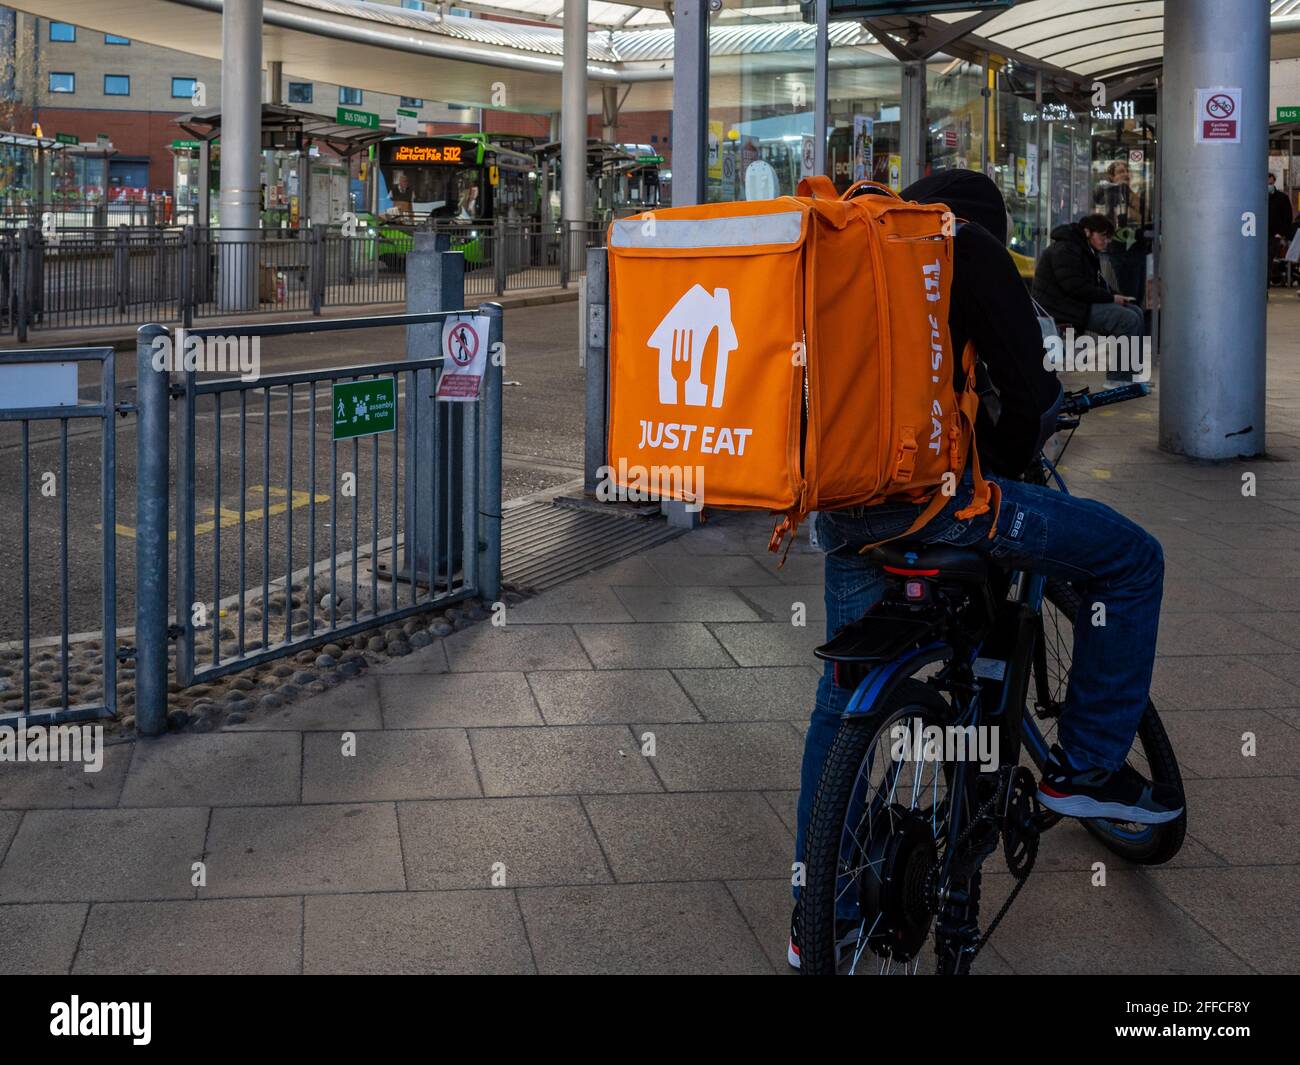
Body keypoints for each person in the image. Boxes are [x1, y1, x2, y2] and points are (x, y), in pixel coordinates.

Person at [789, 170, 1182, 966]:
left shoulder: (849, 250)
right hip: (947, 506)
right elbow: (1034, 391)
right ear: (987, 223)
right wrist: (1002, 455)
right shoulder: (965, 248)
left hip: (843, 511)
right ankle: (1085, 771)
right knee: (1135, 560)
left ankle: (816, 915)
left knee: (839, 708)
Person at [1032, 213, 1144, 380]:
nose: (1106, 242)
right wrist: (1112, 299)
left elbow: (1095, 284)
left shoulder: (1083, 249)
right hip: (1062, 307)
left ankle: (1131, 374)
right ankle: (1119, 379)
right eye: (1103, 236)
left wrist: (1117, 296)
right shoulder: (1066, 249)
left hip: (1076, 304)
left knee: (1135, 311)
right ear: (1087, 232)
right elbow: (1075, 287)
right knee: (1128, 319)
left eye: (1108, 238)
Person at [1267, 173, 1293, 287]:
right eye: (1267, 183)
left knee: (1268, 261)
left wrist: (1281, 233)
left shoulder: (1282, 198)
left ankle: (1265, 288)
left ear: (1274, 182)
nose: (1269, 185)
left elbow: (1288, 217)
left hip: (1274, 236)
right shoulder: (1258, 197)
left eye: (1271, 183)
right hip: (1260, 236)